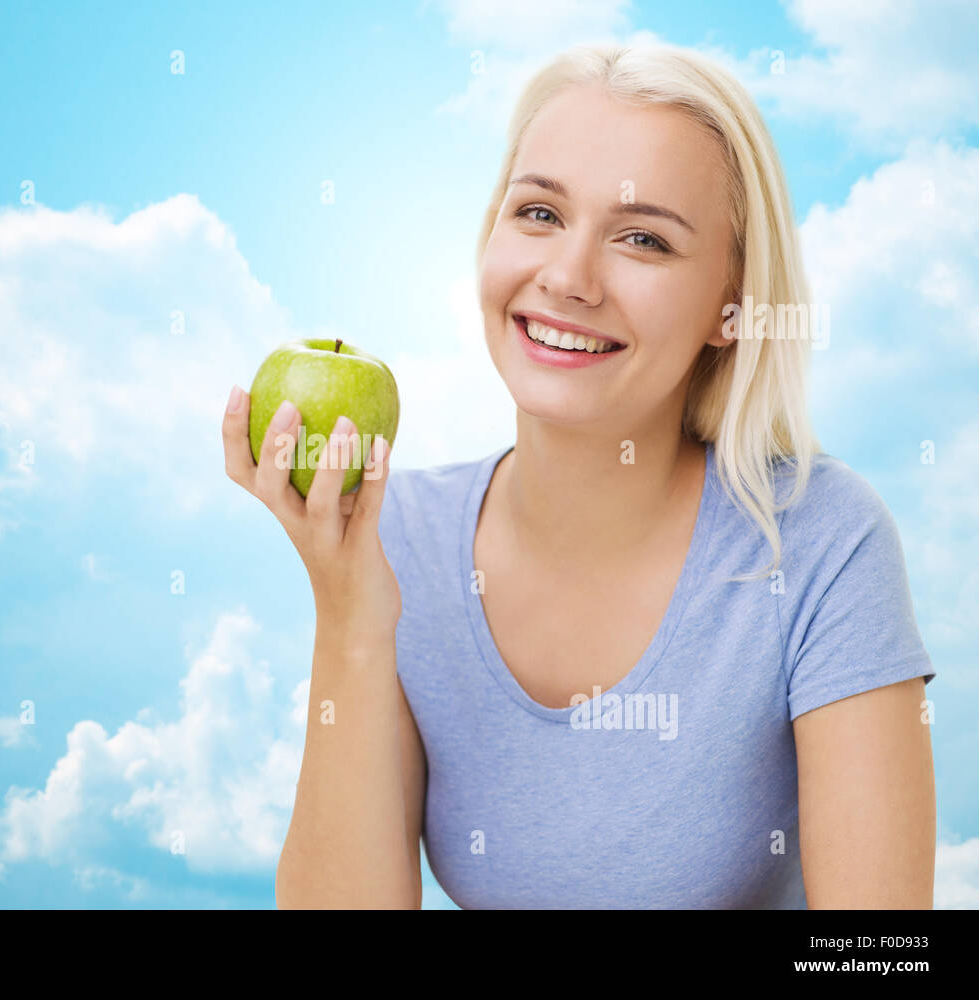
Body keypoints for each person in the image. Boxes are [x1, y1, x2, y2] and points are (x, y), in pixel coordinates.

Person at [221, 42, 937, 909]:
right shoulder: (398, 535)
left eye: (643, 238)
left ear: (732, 307)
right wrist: (352, 618)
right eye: (538, 214)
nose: (567, 278)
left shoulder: (821, 539)